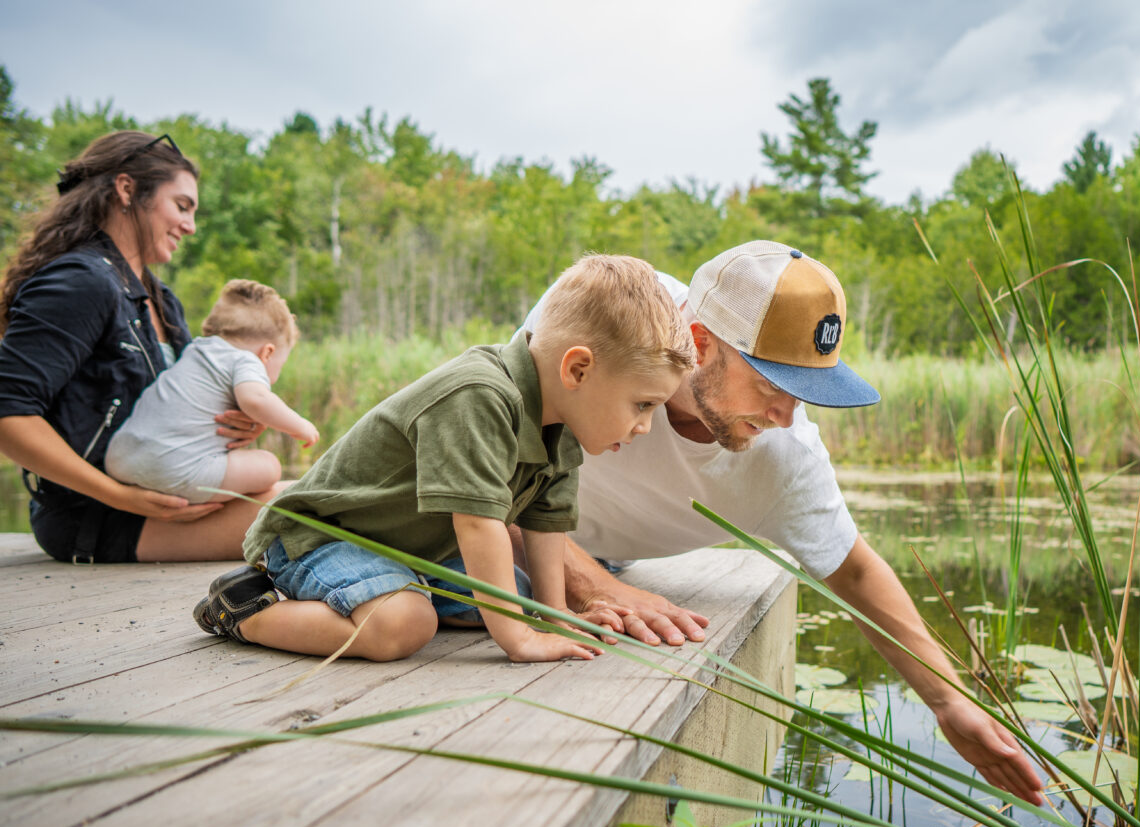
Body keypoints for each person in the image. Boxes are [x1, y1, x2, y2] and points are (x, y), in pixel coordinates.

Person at [538, 241, 1046, 804]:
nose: (784, 416)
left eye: (803, 394)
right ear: (700, 343)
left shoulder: (786, 456)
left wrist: (949, 701)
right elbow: (484, 468)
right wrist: (594, 588)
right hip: (483, 524)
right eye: (772, 386)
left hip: (593, 553)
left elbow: (853, 572)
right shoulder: (605, 308)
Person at [193, 253, 693, 665]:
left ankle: (396, 591)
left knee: (512, 594)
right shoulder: (479, 395)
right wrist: (519, 639)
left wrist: (554, 613)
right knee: (404, 625)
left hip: (410, 550)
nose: (645, 426)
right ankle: (245, 611)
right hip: (325, 536)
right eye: (642, 404)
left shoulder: (561, 424)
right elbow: (479, 527)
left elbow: (545, 523)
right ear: (578, 369)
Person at [0, 130, 273, 564]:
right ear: (127, 190)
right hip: (95, 517)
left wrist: (239, 419)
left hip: (168, 495)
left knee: (315, 497)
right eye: (182, 206)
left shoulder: (161, 300)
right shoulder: (82, 282)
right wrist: (122, 496)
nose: (191, 225)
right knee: (318, 513)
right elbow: (9, 414)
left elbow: (172, 411)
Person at [106, 279, 318, 503]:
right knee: (269, 467)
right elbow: (255, 400)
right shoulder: (246, 360)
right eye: (280, 366)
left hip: (120, 460)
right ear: (267, 353)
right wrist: (300, 425)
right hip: (175, 470)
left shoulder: (196, 349)